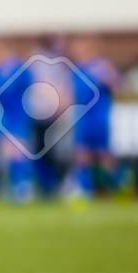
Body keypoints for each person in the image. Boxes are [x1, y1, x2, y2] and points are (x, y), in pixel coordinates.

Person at [68, 36, 119, 201]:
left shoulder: (100, 65)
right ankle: (85, 190)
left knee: (103, 154)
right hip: (82, 118)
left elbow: (118, 85)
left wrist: (109, 77)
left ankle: (115, 187)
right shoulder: (77, 69)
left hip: (99, 117)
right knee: (82, 154)